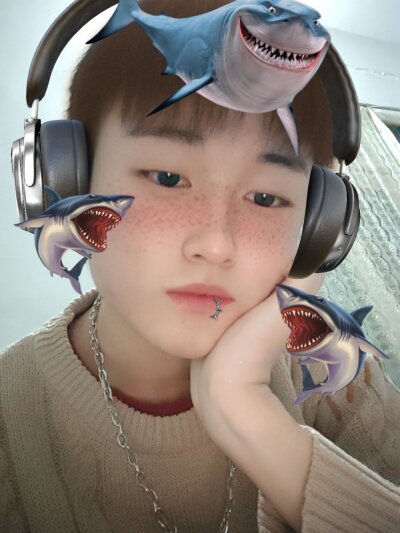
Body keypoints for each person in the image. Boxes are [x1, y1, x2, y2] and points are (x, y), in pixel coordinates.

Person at [1, 1, 399, 531]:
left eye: (266, 197)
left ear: (319, 231)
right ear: (66, 184)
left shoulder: (339, 378)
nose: (216, 244)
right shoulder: (9, 421)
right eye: (167, 178)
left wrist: (241, 406)